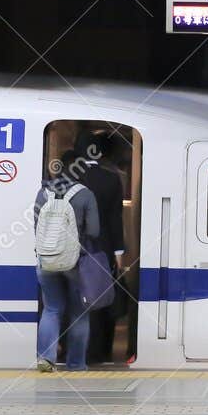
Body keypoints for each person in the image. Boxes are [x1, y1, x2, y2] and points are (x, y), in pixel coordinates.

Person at [32, 148, 100, 373]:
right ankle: (76, 363)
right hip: (76, 263)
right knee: (79, 312)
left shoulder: (43, 193)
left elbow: (36, 227)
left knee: (51, 309)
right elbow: (94, 231)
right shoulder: (86, 194)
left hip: (46, 260)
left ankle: (46, 358)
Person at [74, 129, 125, 364]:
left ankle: (74, 352)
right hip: (101, 248)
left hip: (71, 247)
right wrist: (118, 253)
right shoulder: (111, 179)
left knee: (74, 299)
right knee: (98, 298)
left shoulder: (69, 180)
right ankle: (98, 351)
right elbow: (115, 219)